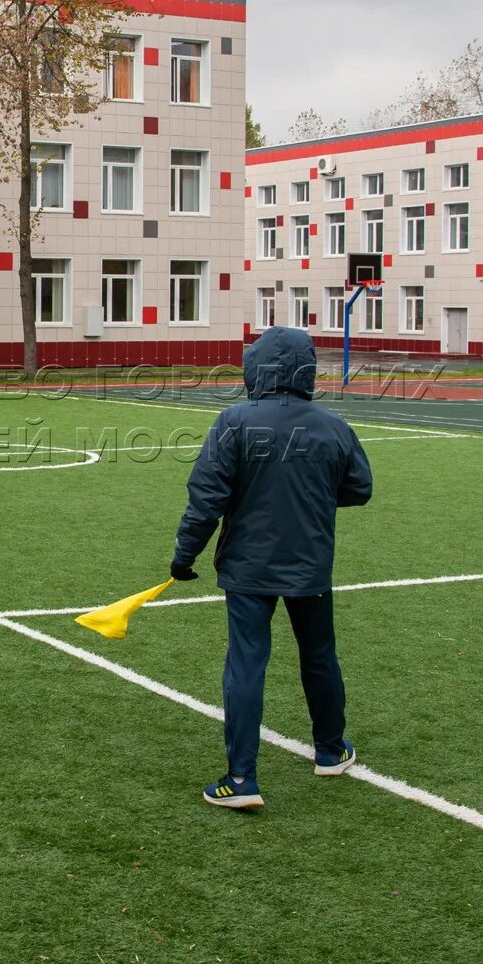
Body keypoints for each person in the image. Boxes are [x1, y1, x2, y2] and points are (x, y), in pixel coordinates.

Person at [171, 326, 372, 811]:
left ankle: (242, 776)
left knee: (246, 663)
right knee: (320, 655)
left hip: (249, 565)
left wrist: (184, 555)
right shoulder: (332, 425)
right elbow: (358, 488)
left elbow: (207, 498)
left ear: (255, 367)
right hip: (309, 563)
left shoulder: (235, 421)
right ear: (307, 369)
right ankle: (330, 748)